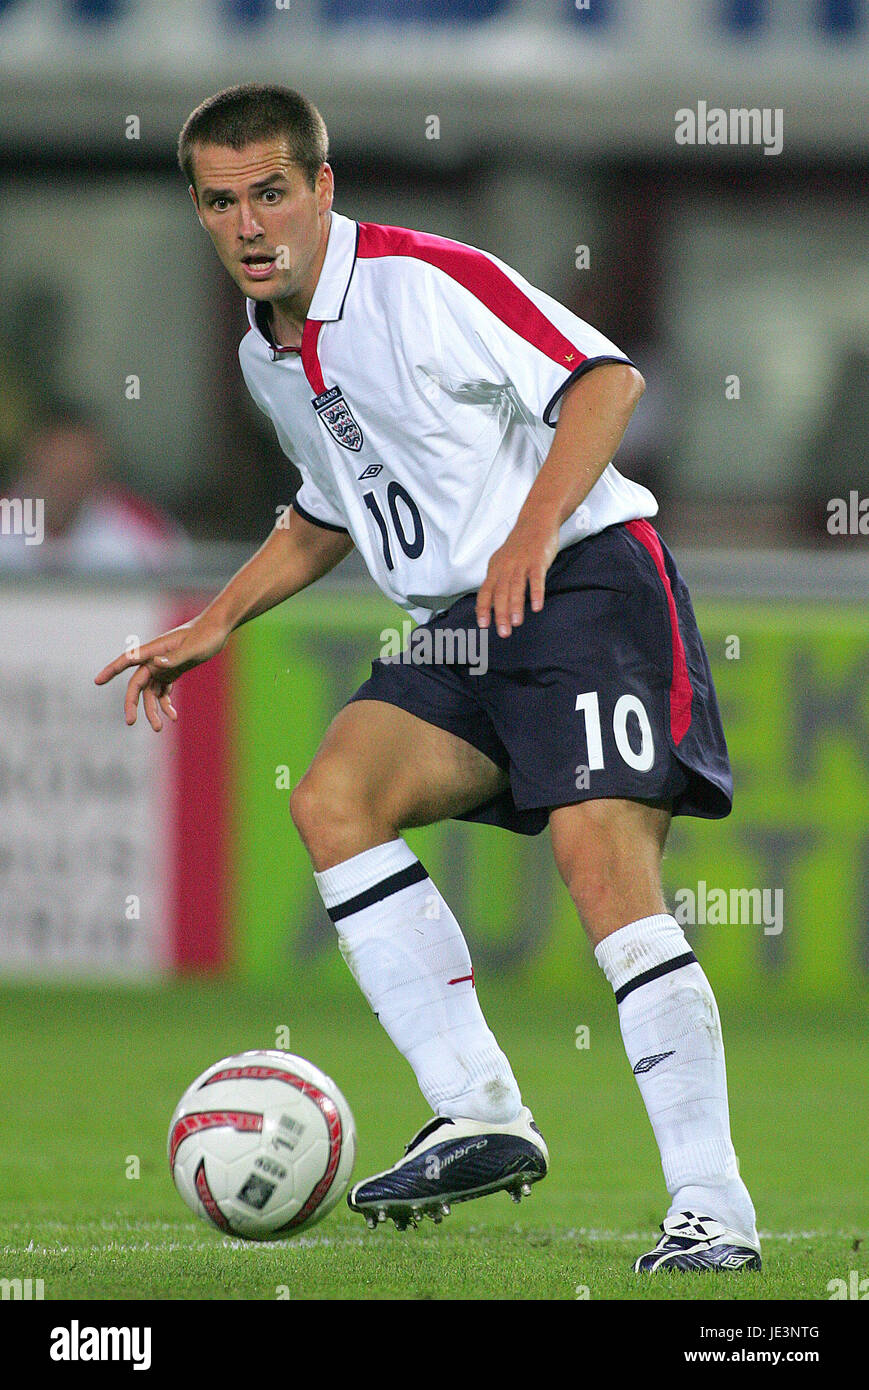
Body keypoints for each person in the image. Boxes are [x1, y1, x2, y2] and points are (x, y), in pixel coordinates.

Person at [95, 84, 759, 1273]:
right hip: (462, 622)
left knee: (602, 865)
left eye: (270, 194)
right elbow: (323, 511)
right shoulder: (268, 356)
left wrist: (525, 534)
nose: (248, 224)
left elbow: (604, 382)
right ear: (198, 211)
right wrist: (217, 618)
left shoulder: (422, 279)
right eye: (219, 201)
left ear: (322, 190)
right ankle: (482, 1106)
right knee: (333, 796)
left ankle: (713, 1209)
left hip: (584, 582)